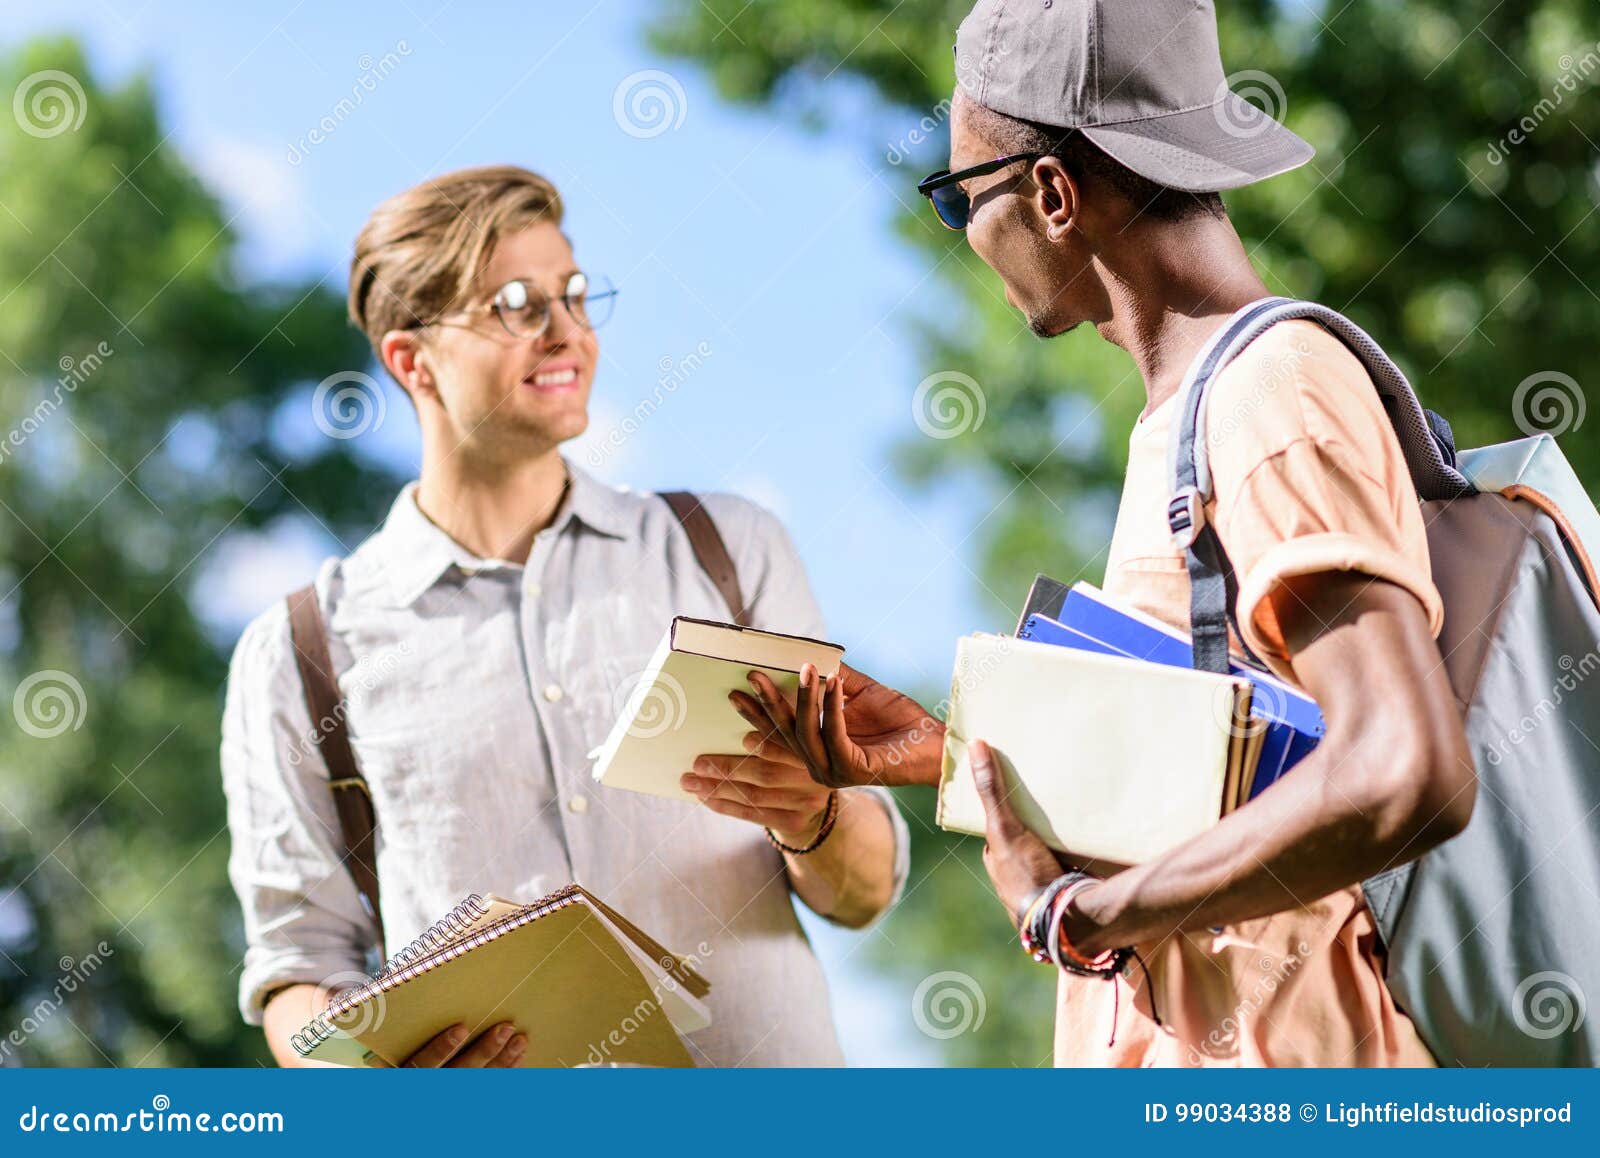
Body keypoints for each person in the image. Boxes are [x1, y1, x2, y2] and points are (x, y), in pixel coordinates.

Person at [741, 0, 1474, 1066]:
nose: (964, 238)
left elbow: (1405, 768)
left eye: (958, 200)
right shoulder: (1186, 416)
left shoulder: (1269, 391)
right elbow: (1252, 759)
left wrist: (1079, 914)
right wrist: (952, 752)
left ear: (1049, 192)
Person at [219, 164, 907, 1068]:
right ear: (409, 359)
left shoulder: (728, 553)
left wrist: (813, 815)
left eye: (576, 296)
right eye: (515, 304)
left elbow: (864, 894)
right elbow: (297, 966)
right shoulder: (302, 652)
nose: (567, 332)